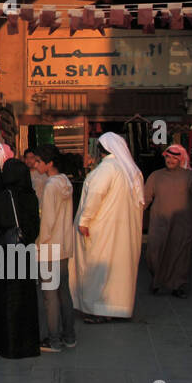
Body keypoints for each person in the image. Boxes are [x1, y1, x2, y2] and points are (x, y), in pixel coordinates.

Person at [73, 132, 144, 323]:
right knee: (120, 269)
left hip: (103, 229)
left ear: (101, 150)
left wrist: (84, 221)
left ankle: (99, 310)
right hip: (125, 231)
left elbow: (95, 195)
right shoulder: (132, 170)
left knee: (99, 269)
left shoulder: (108, 169)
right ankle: (119, 308)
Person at [0, 159, 40, 359]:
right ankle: (28, 345)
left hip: (6, 255)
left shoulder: (4, 197)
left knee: (9, 299)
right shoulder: (31, 197)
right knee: (27, 299)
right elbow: (34, 227)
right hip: (26, 251)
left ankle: (11, 345)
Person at [143, 144, 192, 298]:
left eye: (174, 158)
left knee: (180, 254)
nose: (170, 160)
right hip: (160, 222)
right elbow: (145, 198)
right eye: (168, 157)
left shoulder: (189, 176)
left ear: (180, 159)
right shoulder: (156, 176)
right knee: (154, 252)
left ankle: (179, 285)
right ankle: (157, 281)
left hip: (183, 223)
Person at [34, 145, 76, 351]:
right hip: (64, 246)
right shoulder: (65, 182)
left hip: (50, 247)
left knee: (50, 296)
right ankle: (69, 336)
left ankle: (53, 340)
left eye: (39, 161)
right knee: (63, 293)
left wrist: (38, 245)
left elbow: (48, 221)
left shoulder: (51, 185)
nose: (35, 164)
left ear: (49, 163)